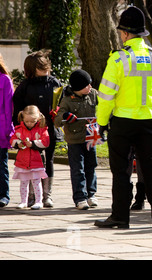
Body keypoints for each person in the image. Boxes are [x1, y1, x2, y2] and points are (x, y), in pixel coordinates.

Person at [94, 6, 152, 229]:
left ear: (127, 34)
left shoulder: (118, 60)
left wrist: (101, 122)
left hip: (122, 122)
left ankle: (120, 217)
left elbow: (106, 96)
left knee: (121, 171)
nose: (121, 36)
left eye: (121, 32)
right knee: (151, 171)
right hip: (149, 122)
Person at [13, 50, 62, 207]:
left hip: (49, 130)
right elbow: (16, 109)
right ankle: (31, 195)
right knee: (30, 163)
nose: (45, 69)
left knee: (49, 160)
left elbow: (61, 105)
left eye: (46, 66)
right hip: (29, 132)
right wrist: (18, 130)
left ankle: (47, 195)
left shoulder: (55, 83)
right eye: (41, 67)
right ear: (32, 69)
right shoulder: (25, 86)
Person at [54, 69, 98, 210]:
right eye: (87, 85)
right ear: (78, 88)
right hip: (74, 140)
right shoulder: (67, 99)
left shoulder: (94, 94)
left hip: (91, 137)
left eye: (90, 84)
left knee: (91, 166)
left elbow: (104, 107)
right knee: (78, 169)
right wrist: (66, 117)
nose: (90, 87)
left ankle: (91, 194)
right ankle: (80, 197)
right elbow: (57, 119)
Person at [10, 105, 49, 209]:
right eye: (27, 121)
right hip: (23, 160)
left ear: (38, 119)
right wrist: (18, 143)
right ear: (23, 119)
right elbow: (13, 139)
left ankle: (39, 201)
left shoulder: (41, 129)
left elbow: (45, 142)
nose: (29, 124)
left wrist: (33, 144)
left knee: (36, 182)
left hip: (36, 161)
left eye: (32, 121)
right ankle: (23, 201)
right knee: (23, 182)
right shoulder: (19, 129)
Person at [0, 53, 14, 207]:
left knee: (1, 163)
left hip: (1, 128)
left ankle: (3, 195)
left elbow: (9, 108)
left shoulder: (4, 80)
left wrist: (6, 130)